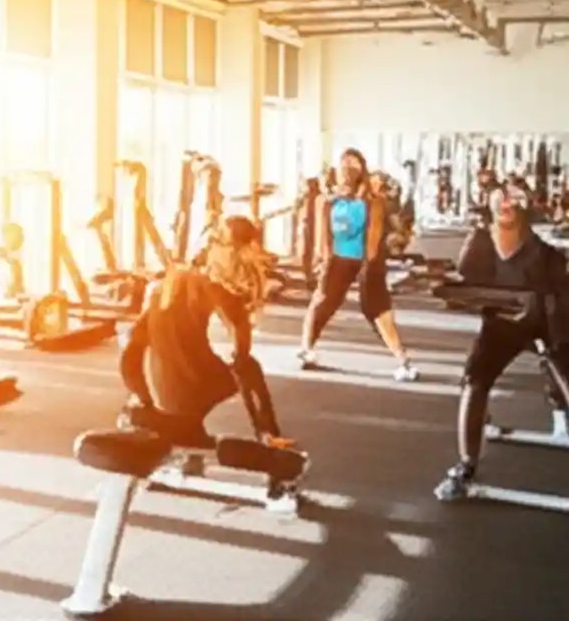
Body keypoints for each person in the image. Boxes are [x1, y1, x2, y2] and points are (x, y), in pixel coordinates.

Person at [435, 181, 569, 500]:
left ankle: (560, 411)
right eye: (501, 200)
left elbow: (562, 296)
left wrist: (553, 342)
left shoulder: (543, 253)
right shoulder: (480, 241)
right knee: (474, 382)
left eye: (514, 201)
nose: (507, 206)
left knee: (561, 378)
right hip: (502, 325)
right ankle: (466, 463)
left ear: (524, 209)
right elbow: (465, 286)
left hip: (548, 322)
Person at [120, 216, 291, 449]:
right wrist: (239, 354)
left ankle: (173, 423)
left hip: (158, 397)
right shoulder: (210, 287)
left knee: (191, 373)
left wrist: (142, 396)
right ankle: (268, 435)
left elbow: (132, 343)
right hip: (190, 393)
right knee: (249, 367)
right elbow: (240, 333)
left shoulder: (166, 284)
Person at [297, 148, 419, 382]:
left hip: (365, 259)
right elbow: (323, 236)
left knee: (377, 308)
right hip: (338, 259)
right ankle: (306, 349)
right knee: (322, 302)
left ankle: (402, 360)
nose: (347, 171)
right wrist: (322, 261)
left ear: (361, 170)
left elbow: (373, 235)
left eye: (353, 167)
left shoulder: (371, 201)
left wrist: (369, 264)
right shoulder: (326, 201)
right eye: (344, 166)